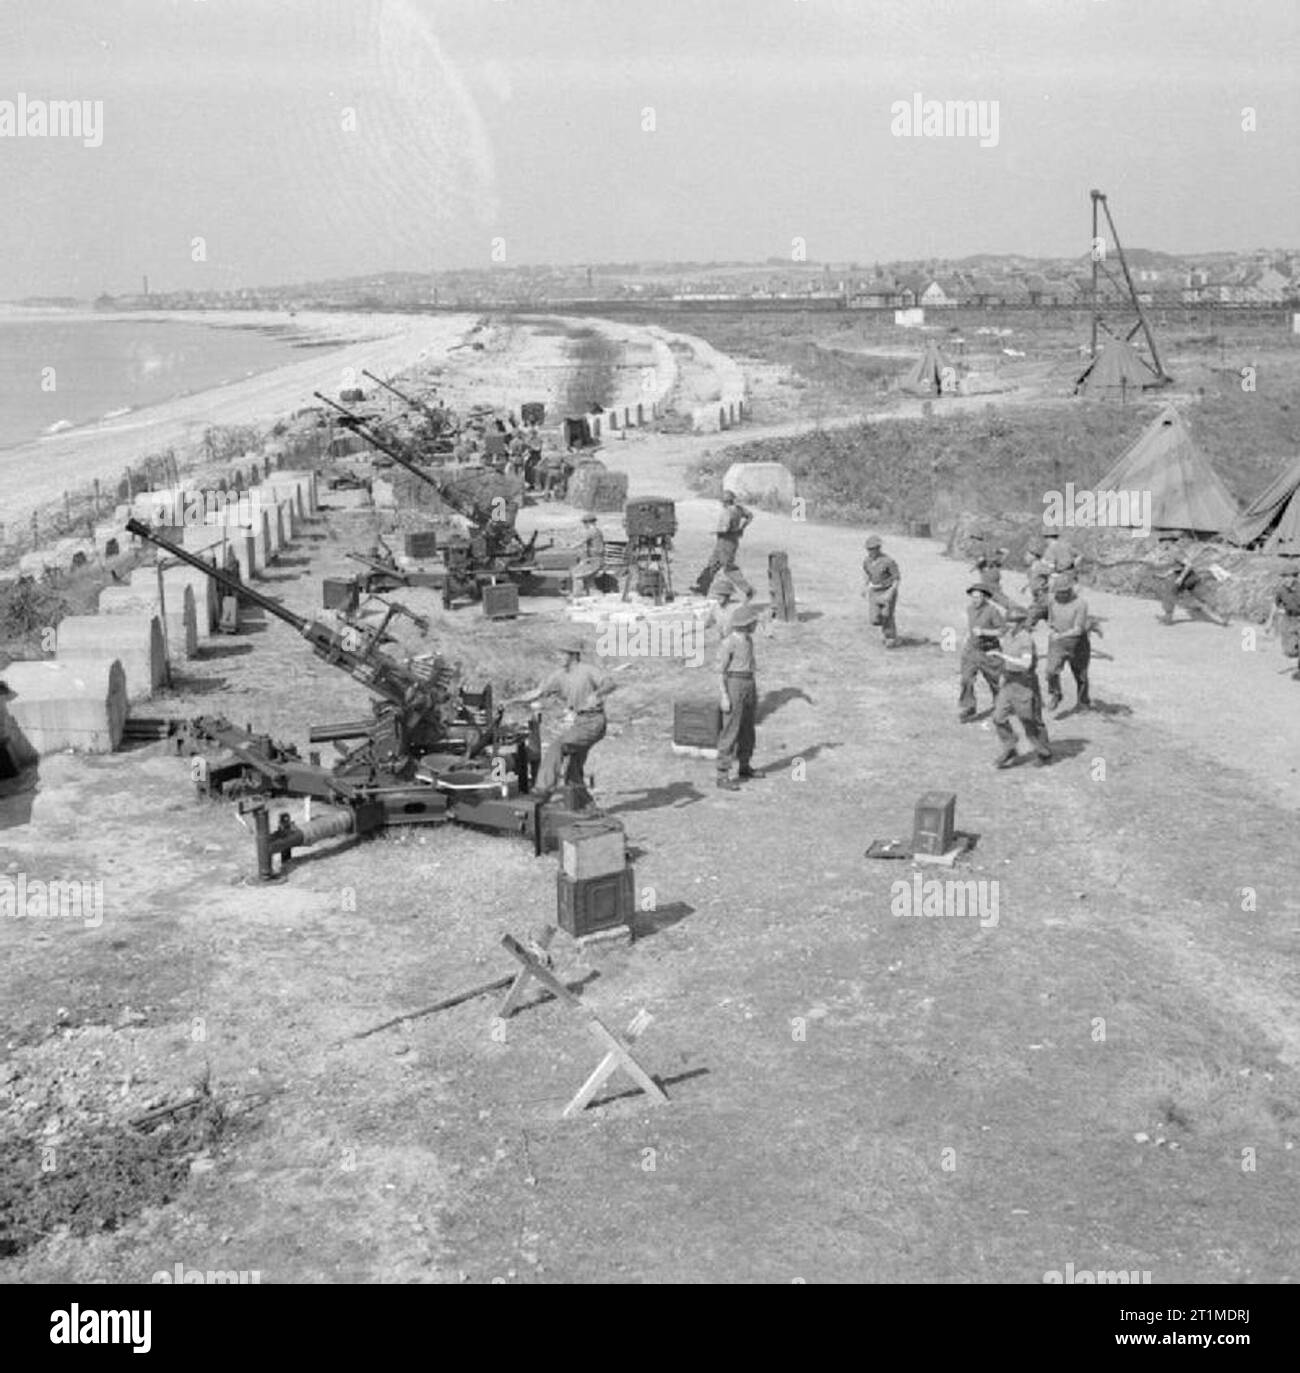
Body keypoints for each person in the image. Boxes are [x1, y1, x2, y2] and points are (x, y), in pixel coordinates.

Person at [517, 638, 616, 802]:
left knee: (558, 746)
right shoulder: (559, 675)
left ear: (573, 655)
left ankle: (542, 790)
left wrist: (597, 694)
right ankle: (581, 801)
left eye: (562, 653)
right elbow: (537, 692)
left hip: (593, 722)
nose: (558, 656)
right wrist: (511, 701)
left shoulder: (588, 670)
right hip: (579, 722)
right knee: (573, 765)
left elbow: (610, 684)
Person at [989, 605, 1052, 768]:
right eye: (1008, 621)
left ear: (1021, 623)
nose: (1009, 624)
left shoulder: (1025, 638)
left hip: (1025, 684)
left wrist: (1002, 656)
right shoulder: (1009, 635)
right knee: (998, 717)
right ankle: (1010, 746)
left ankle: (1043, 752)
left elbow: (1026, 663)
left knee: (1029, 721)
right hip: (1009, 682)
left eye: (1013, 622)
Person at [716, 602, 761, 791]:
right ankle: (722, 774)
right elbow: (720, 672)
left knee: (747, 729)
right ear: (746, 624)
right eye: (754, 622)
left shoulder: (748, 640)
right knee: (731, 730)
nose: (756, 624)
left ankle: (744, 765)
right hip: (734, 684)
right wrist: (724, 696)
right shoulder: (729, 643)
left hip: (749, 683)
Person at [1148, 534, 1228, 626]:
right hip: (1191, 577)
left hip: (1180, 576)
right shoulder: (1170, 551)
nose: (1161, 543)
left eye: (1163, 541)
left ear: (1168, 541)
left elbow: (1189, 564)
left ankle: (1167, 618)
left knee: (1168, 595)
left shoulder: (1175, 551)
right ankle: (1222, 614)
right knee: (1203, 595)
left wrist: (1180, 578)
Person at [1044, 571, 1091, 712]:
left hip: (1077, 643)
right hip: (1057, 643)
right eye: (1058, 592)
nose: (1061, 595)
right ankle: (1056, 693)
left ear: (1070, 590)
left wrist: (1060, 635)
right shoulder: (1052, 601)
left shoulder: (1080, 604)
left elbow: (1078, 629)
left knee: (1081, 675)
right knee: (1050, 671)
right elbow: (1051, 621)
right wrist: (1053, 632)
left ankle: (1083, 702)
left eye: (1064, 592)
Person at [958, 582, 1005, 721]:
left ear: (985, 598)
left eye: (978, 597)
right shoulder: (970, 609)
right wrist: (965, 641)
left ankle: (1000, 705)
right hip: (972, 650)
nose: (974, 600)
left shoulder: (993, 611)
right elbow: (970, 628)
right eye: (973, 597)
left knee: (994, 681)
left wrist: (985, 632)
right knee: (966, 680)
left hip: (989, 651)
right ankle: (969, 707)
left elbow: (1003, 630)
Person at [693, 490, 753, 594]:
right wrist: (742, 528)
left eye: (723, 501)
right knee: (712, 564)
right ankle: (702, 587)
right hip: (726, 541)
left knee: (728, 567)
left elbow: (725, 528)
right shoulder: (739, 509)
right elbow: (750, 516)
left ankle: (748, 590)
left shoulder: (728, 511)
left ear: (725, 501)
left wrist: (716, 531)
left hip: (727, 541)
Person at [862, 534, 900, 647]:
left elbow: (897, 579)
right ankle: (887, 629)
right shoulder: (867, 561)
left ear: (878, 548)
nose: (870, 551)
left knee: (887, 615)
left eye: (873, 549)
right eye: (868, 549)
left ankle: (890, 637)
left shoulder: (888, 561)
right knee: (875, 619)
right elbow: (867, 574)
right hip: (874, 592)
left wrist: (890, 593)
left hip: (887, 590)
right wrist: (865, 587)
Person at [1266, 565, 1300, 680]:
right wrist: (1270, 621)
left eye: (1287, 577)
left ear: (1295, 577)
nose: (1285, 580)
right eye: (1284, 577)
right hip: (1288, 619)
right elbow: (1275, 604)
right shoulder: (1281, 590)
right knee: (1289, 651)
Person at [571, 513, 606, 595]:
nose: (584, 525)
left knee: (576, 574)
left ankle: (578, 595)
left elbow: (581, 542)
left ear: (588, 523)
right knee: (590, 581)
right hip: (599, 559)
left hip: (593, 560)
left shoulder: (591, 531)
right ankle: (595, 595)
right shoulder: (598, 531)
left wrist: (571, 547)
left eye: (584, 523)